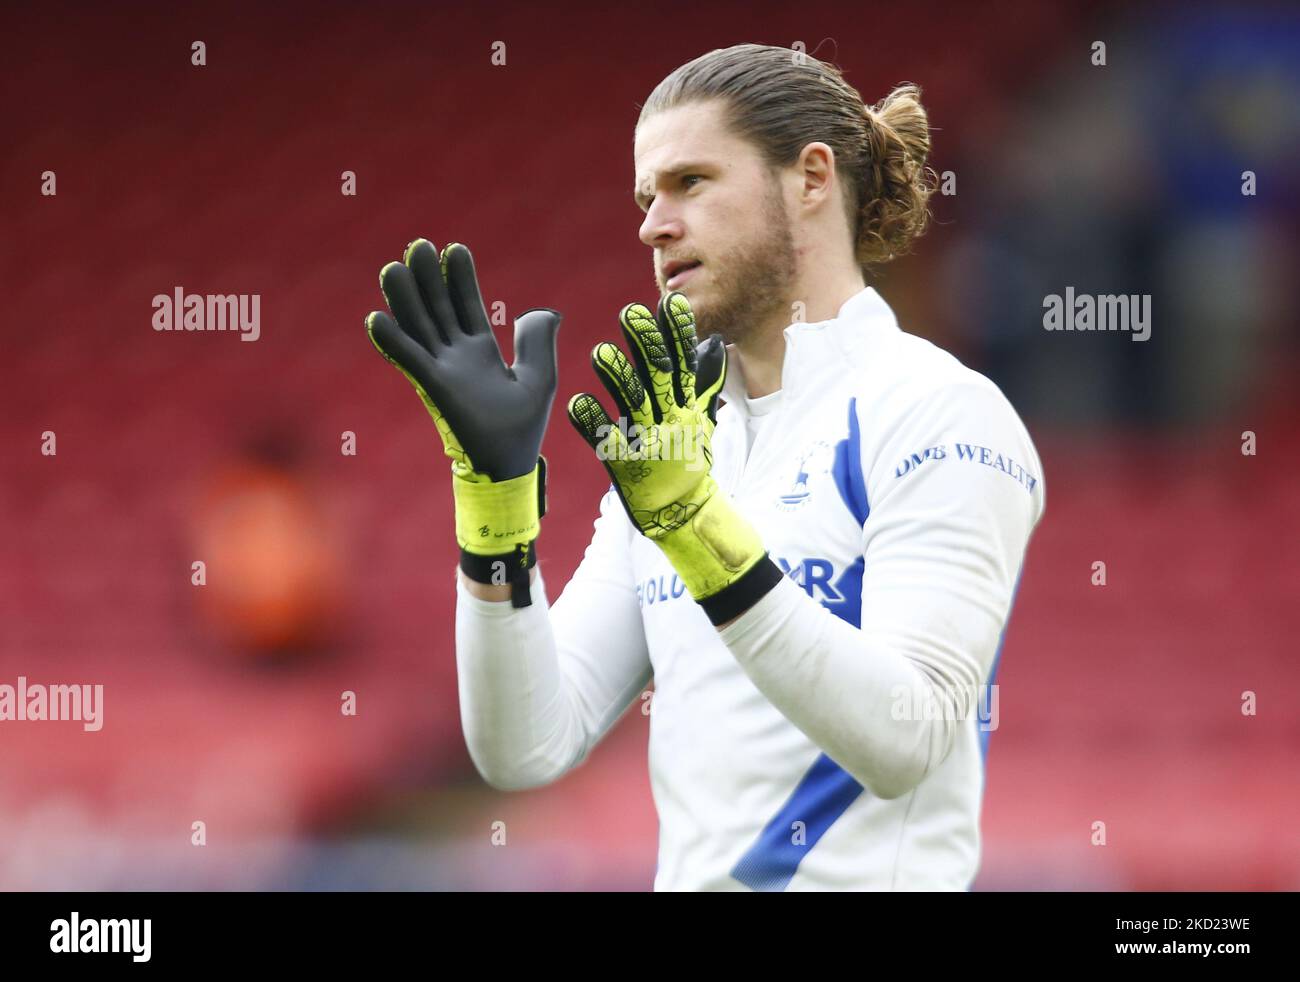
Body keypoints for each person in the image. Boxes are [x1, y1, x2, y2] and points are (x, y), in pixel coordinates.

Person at [365, 43, 1046, 891]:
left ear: (811, 179)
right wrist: (496, 508)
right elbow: (527, 743)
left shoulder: (940, 411)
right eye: (647, 196)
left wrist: (694, 527)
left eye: (691, 182)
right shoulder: (681, 443)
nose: (653, 223)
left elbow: (906, 741)